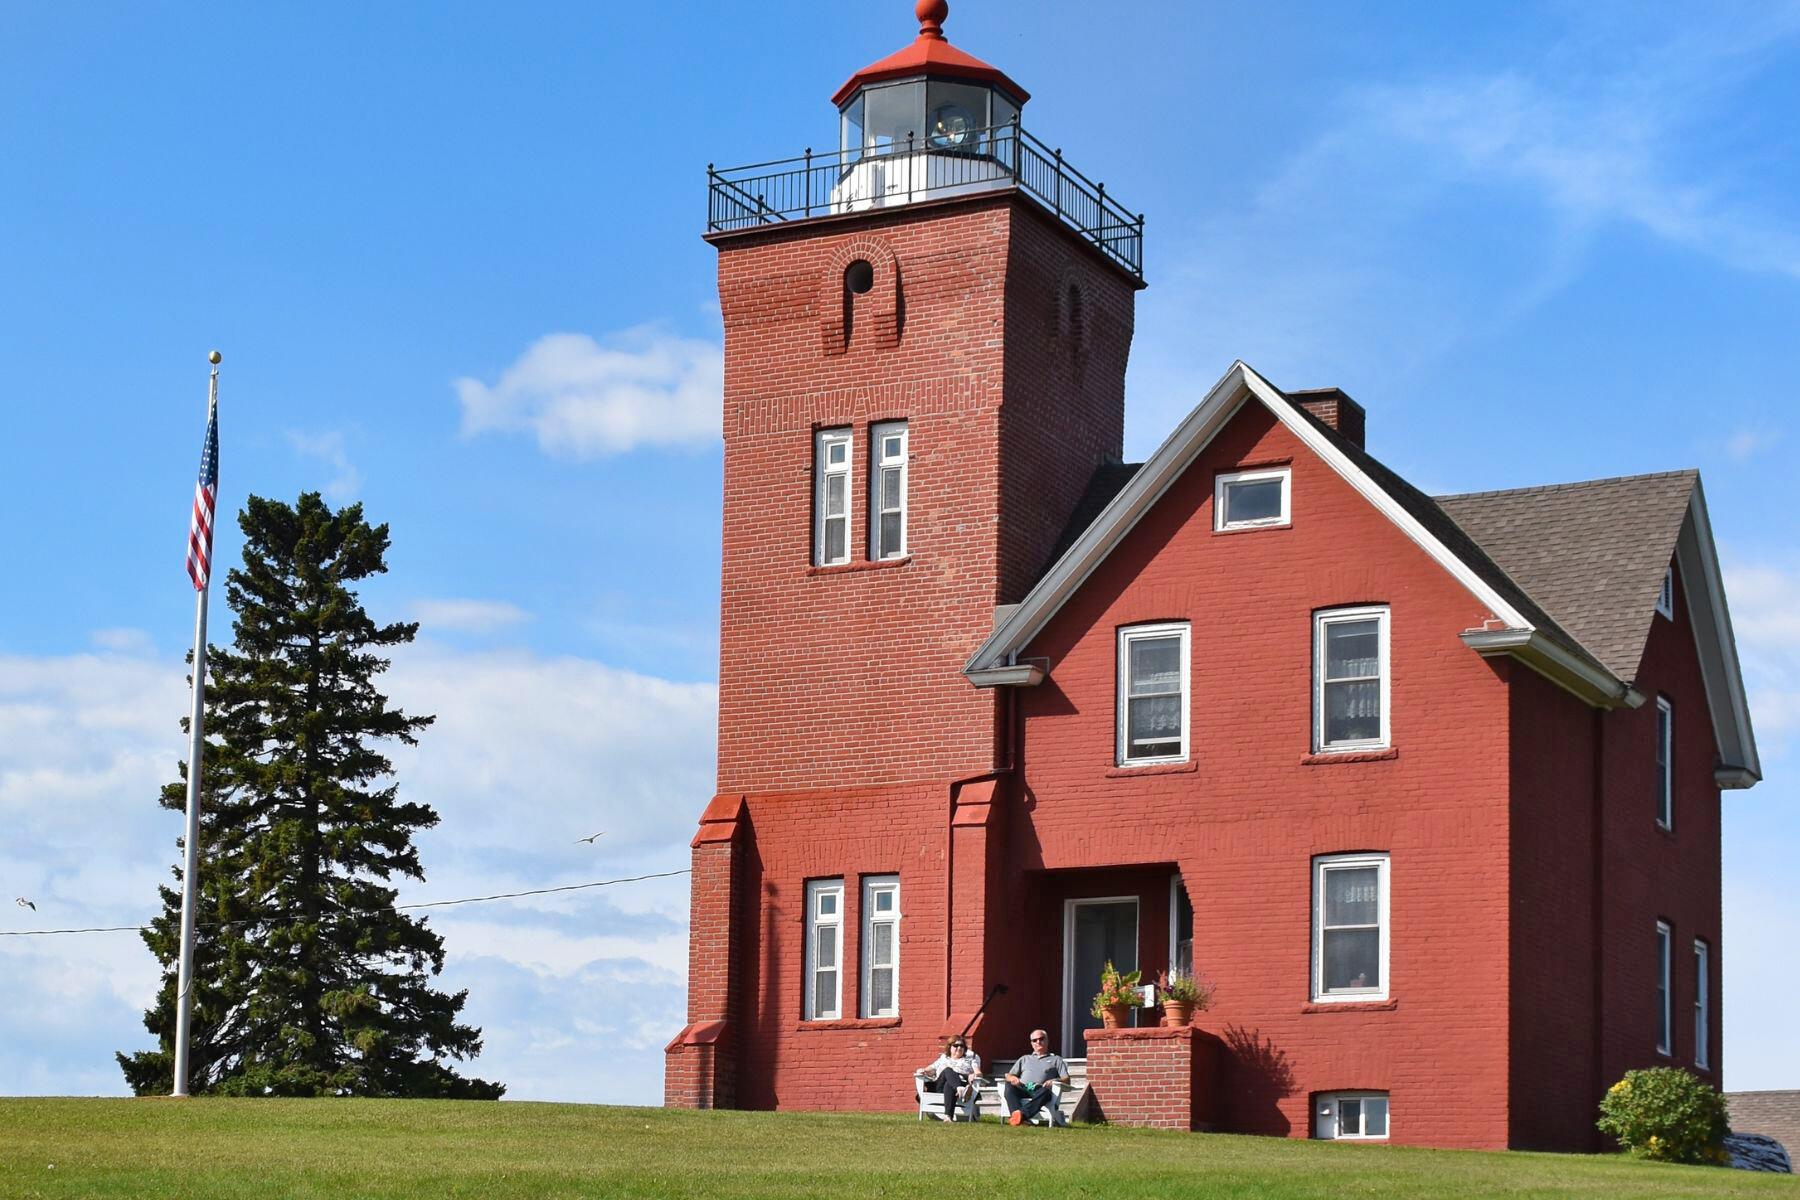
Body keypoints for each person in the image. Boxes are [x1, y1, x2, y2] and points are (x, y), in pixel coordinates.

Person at [1002, 1029, 1071, 1126]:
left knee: (1046, 1092)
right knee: (1009, 1086)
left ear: (1047, 1040)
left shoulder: (1056, 1060)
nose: (1038, 1042)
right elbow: (1008, 1075)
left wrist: (1055, 1080)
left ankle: (1020, 1116)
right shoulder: (1024, 1059)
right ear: (1031, 1043)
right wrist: (1012, 1078)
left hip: (1040, 1090)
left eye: (1041, 1039)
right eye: (1034, 1040)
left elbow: (1067, 1080)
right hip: (1023, 1088)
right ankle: (1019, 1117)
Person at [919, 1036, 982, 1121]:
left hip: (955, 1086)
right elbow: (931, 1069)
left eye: (962, 1046)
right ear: (950, 1047)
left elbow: (978, 1072)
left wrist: (974, 1075)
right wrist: (923, 1071)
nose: (959, 1048)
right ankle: (959, 1088)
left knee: (949, 1084)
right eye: (956, 1046)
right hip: (939, 1087)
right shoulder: (944, 1058)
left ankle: (948, 1117)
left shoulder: (970, 1059)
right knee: (948, 1070)